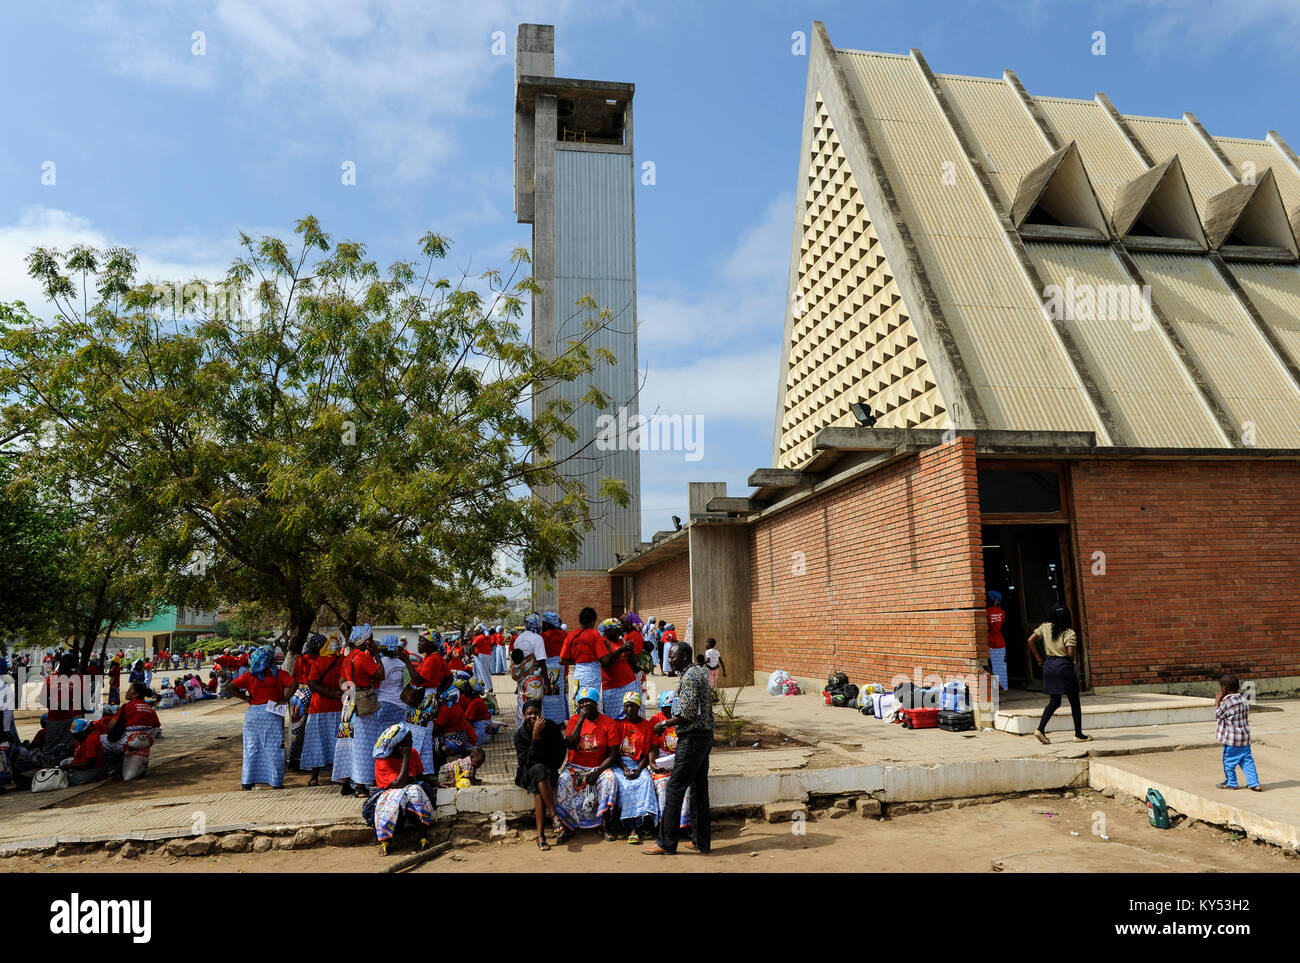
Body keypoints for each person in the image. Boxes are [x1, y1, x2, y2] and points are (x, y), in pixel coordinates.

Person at [643, 642, 714, 856]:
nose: (669, 660)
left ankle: (666, 842)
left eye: (672, 657)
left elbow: (687, 715)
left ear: (684, 656)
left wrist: (662, 724)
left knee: (674, 788)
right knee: (698, 789)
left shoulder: (691, 676)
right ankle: (701, 842)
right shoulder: (693, 673)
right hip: (702, 737)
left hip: (693, 738)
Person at [554, 687, 621, 844]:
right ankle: (567, 825)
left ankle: (604, 825)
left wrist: (598, 772)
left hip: (599, 766)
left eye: (588, 702)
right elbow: (570, 744)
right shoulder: (574, 720)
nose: (584, 705)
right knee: (564, 779)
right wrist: (580, 720)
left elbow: (612, 755)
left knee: (610, 779)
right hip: (576, 765)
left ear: (596, 703)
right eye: (581, 702)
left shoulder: (608, 723)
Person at [229, 645, 295, 790]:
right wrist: (285, 699)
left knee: (251, 748)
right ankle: (276, 782)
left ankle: (247, 782)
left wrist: (245, 698)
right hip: (272, 714)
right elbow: (294, 684)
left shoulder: (250, 675)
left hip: (253, 714)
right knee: (274, 748)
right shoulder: (278, 674)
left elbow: (230, 687)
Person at [1028, 604, 1090, 745]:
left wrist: (1039, 660)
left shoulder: (1045, 627)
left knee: (1054, 701)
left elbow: (1030, 640)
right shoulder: (1069, 632)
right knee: (1074, 701)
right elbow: (1069, 654)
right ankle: (1078, 734)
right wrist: (1072, 660)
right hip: (1064, 667)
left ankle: (1040, 729)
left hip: (1049, 666)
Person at [368, 723, 434, 856]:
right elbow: (399, 784)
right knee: (396, 796)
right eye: (409, 741)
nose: (412, 742)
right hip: (389, 795)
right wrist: (406, 757)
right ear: (399, 745)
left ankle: (423, 837)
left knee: (415, 791)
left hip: (409, 792)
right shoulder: (383, 761)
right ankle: (386, 841)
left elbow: (419, 777)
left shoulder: (413, 753)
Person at [514, 699, 566, 851]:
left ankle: (541, 836)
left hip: (548, 772)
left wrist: (553, 767)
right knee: (538, 770)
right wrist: (535, 738)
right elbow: (525, 762)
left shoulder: (551, 727)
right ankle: (554, 816)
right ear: (524, 716)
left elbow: (561, 751)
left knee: (538, 789)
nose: (533, 716)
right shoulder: (520, 734)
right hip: (527, 772)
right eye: (529, 714)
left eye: (536, 713)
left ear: (540, 714)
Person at [340, 625, 386, 798]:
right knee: (363, 744)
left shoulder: (348, 657)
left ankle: (346, 783)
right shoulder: (363, 657)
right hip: (363, 703)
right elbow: (381, 675)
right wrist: (375, 655)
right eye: (372, 638)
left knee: (349, 743)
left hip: (349, 702)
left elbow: (342, 681)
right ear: (366, 641)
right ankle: (360, 786)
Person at [614, 692, 660, 844]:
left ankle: (645, 824)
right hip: (621, 764)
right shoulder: (619, 724)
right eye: (627, 706)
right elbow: (614, 752)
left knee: (645, 782)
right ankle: (631, 827)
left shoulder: (646, 726)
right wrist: (625, 769)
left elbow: (646, 754)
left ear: (638, 706)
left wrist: (639, 770)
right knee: (625, 785)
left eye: (633, 706)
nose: (629, 709)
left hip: (639, 764)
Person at [301, 635, 345, 786]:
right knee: (338, 741)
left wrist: (329, 694)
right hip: (339, 707)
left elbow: (312, 684)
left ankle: (314, 777)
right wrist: (337, 693)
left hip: (319, 708)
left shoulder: (319, 661)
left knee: (317, 741)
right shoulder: (344, 661)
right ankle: (338, 776)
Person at [648, 691, 692, 829]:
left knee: (687, 787)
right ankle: (664, 824)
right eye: (665, 711)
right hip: (662, 760)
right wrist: (653, 763)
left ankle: (683, 824)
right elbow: (654, 747)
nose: (668, 714)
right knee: (661, 785)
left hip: (680, 758)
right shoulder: (656, 721)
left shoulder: (682, 721)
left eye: (670, 711)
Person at [101, 683, 163, 781]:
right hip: (145, 743)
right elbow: (157, 726)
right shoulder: (149, 708)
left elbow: (110, 726)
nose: (126, 692)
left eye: (129, 689)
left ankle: (113, 767)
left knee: (100, 740)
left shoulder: (127, 707)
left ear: (135, 694)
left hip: (127, 743)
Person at [1215, 674, 1262, 791]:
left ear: (1224, 688)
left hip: (1232, 739)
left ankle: (1231, 782)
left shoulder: (1227, 702)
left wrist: (1217, 702)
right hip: (1244, 737)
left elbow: (1218, 715)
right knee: (1247, 760)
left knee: (1228, 762)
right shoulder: (1244, 700)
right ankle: (1254, 783)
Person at [559, 608, 608, 717]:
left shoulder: (571, 636)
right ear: (593, 621)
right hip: (592, 673)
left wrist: (577, 660)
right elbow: (604, 659)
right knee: (593, 699)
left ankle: (579, 725)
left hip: (578, 673)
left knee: (579, 699)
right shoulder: (595, 634)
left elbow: (561, 660)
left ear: (580, 621)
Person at [287, 633, 322, 770]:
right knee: (311, 730)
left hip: (298, 695)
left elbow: (295, 677)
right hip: (312, 693)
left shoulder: (301, 659)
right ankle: (309, 761)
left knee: (297, 729)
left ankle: (294, 759)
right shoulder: (320, 660)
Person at [596, 617, 638, 720]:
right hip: (612, 687)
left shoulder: (622, 641)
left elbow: (634, 661)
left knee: (631, 715)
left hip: (629, 682)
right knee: (614, 717)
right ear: (607, 631)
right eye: (615, 631)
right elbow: (605, 662)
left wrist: (631, 650)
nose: (618, 634)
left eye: (619, 631)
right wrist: (620, 651)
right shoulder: (602, 642)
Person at [539, 611, 569, 724]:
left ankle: (549, 719)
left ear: (546, 624)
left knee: (548, 695)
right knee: (560, 695)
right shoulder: (564, 634)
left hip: (547, 668)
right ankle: (560, 720)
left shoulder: (542, 636)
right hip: (561, 667)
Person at [60, 718, 107, 786]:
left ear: (84, 731)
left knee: (70, 779)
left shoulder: (91, 741)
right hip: (86, 766)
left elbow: (89, 764)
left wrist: (69, 766)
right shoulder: (83, 737)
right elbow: (73, 748)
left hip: (94, 769)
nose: (75, 737)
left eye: (76, 735)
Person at [510, 647, 547, 721]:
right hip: (535, 692)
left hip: (524, 694)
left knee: (523, 710)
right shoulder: (529, 662)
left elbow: (515, 678)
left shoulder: (514, 668)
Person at [986, 591, 1009, 691]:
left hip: (990, 644)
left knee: (989, 669)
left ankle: (995, 690)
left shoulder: (985, 612)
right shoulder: (1002, 612)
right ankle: (1002, 688)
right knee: (1000, 669)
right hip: (1001, 644)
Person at [470, 624, 494, 691]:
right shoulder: (487, 637)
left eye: (476, 631)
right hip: (488, 655)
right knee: (486, 672)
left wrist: (474, 653)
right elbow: (491, 647)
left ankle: (487, 687)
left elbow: (472, 646)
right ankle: (489, 686)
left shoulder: (479, 637)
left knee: (482, 672)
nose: (475, 632)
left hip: (481, 656)